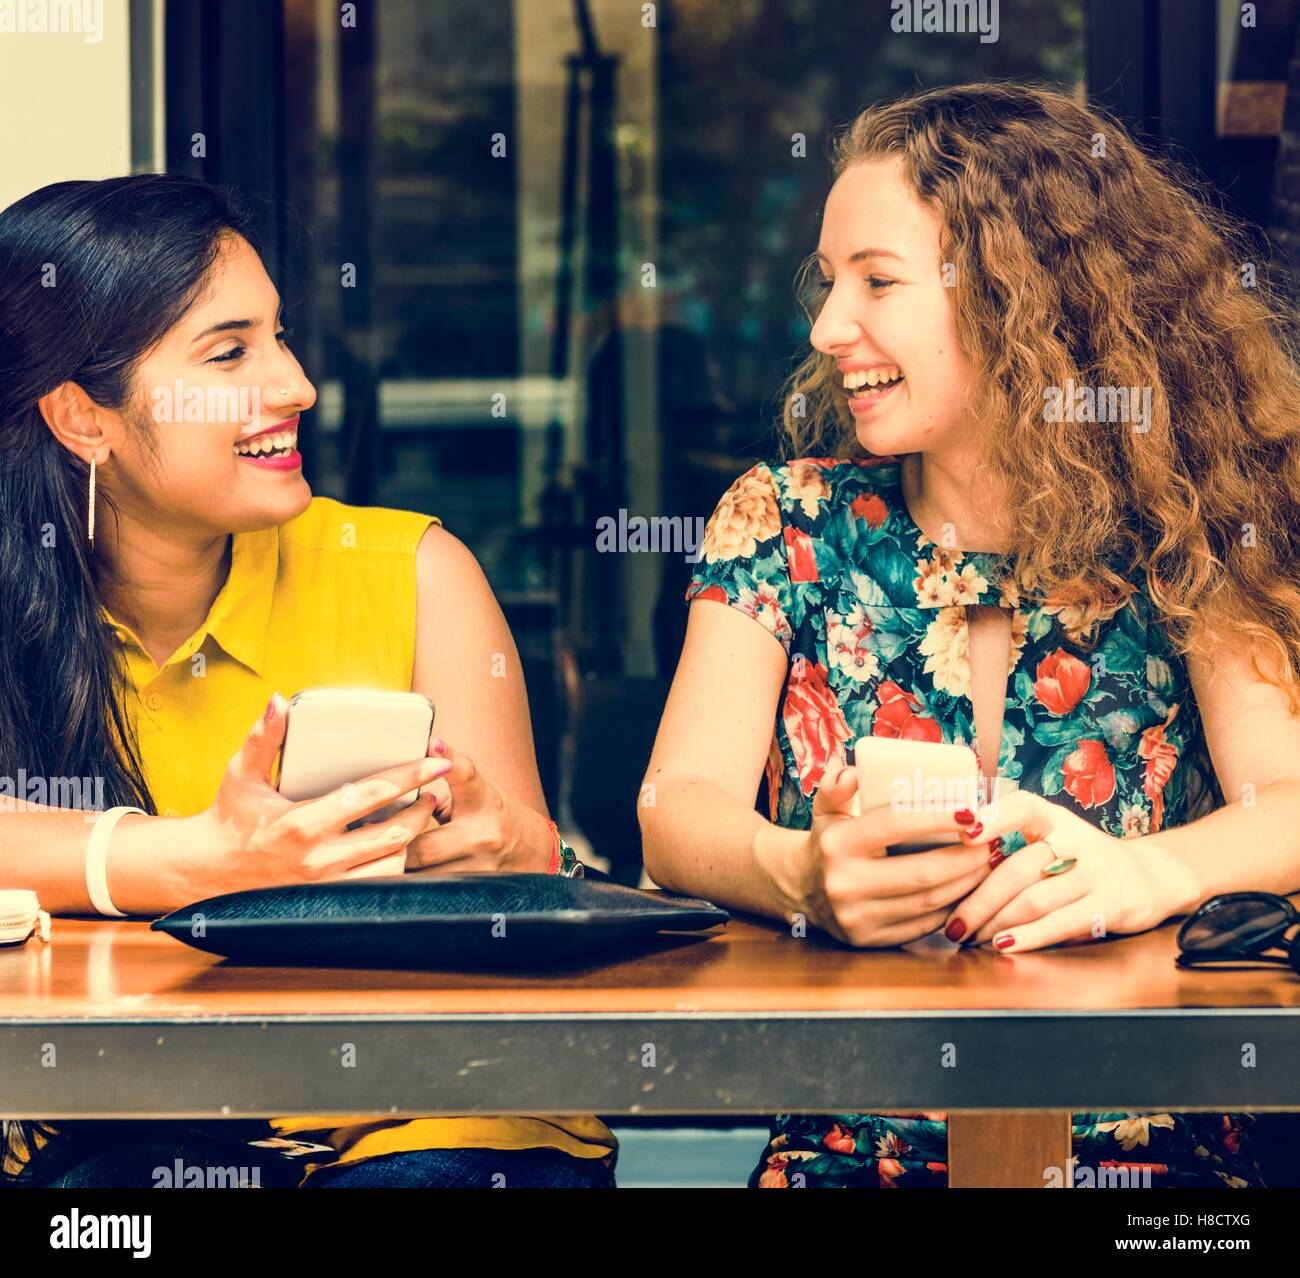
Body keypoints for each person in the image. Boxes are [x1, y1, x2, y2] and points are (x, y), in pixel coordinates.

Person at [640, 81, 1300, 1188]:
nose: (825, 326)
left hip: (1152, 1164)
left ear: (1020, 296)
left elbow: (1285, 804)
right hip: (847, 1153)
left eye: (877, 283)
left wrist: (1142, 874)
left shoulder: (1187, 518)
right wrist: (795, 870)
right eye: (828, 281)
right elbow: (673, 814)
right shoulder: (785, 515)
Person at [0, 173, 614, 1188]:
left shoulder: (414, 573)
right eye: (229, 352)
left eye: (278, 337)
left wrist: (509, 852)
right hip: (145, 1129)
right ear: (81, 418)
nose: (294, 384)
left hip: (436, 1122)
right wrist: (196, 858)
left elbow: (528, 872)